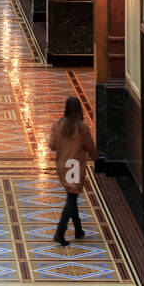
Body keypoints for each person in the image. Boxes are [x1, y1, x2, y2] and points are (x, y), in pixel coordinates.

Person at [47, 96, 97, 245]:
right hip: (74, 166)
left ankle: (78, 229)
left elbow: (52, 145)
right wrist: (96, 158)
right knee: (71, 198)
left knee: (71, 196)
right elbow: (90, 147)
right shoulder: (82, 128)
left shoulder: (57, 125)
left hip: (62, 166)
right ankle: (60, 232)